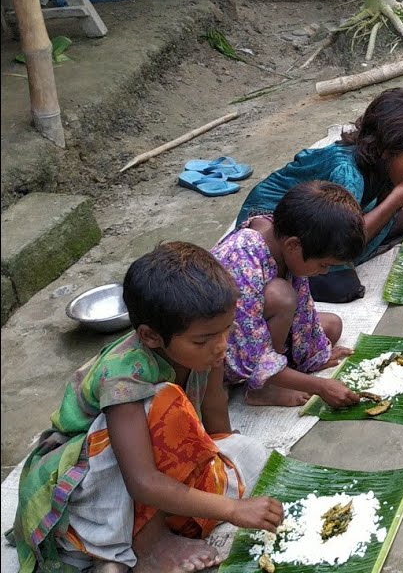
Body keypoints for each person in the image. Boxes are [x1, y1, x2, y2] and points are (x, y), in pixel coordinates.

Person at [11, 242, 283, 573]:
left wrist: (217, 462)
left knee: (248, 453)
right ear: (151, 336)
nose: (221, 345)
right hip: (92, 481)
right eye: (203, 340)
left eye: (226, 330)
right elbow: (140, 480)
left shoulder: (208, 348)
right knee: (162, 404)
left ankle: (120, 553)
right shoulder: (124, 375)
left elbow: (213, 411)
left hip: (148, 470)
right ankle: (149, 544)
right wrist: (231, 509)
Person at [236, 88, 403, 303]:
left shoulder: (380, 163)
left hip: (327, 221)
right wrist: (395, 200)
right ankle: (321, 263)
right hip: (273, 218)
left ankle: (341, 256)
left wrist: (397, 200)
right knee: (343, 287)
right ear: (385, 149)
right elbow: (343, 233)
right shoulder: (347, 173)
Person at [214, 181, 367, 408]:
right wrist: (320, 386)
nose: (324, 272)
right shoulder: (241, 259)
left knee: (332, 326)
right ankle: (263, 388)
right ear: (294, 246)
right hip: (224, 347)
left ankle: (278, 371)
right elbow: (247, 347)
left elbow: (304, 312)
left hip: (256, 328)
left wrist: (315, 355)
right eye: (323, 265)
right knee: (282, 295)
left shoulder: (286, 241)